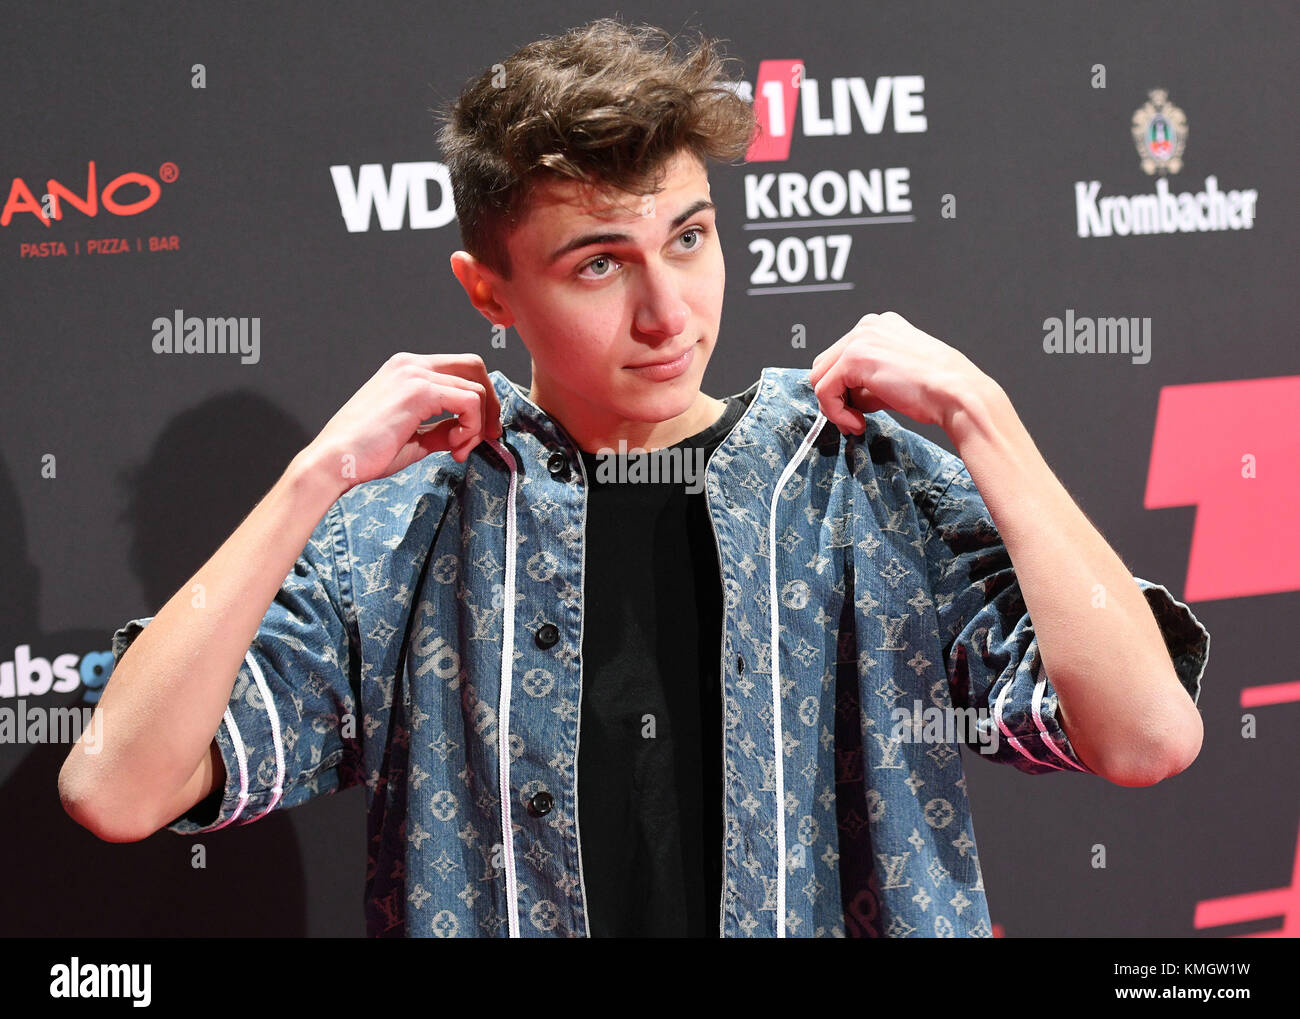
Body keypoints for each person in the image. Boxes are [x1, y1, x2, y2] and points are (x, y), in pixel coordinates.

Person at [58, 17, 1210, 938]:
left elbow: (1145, 737)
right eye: (599, 263)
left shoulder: (854, 479)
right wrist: (311, 478)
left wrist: (984, 419)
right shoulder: (412, 520)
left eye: (691, 239)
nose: (668, 313)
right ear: (487, 291)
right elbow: (117, 789)